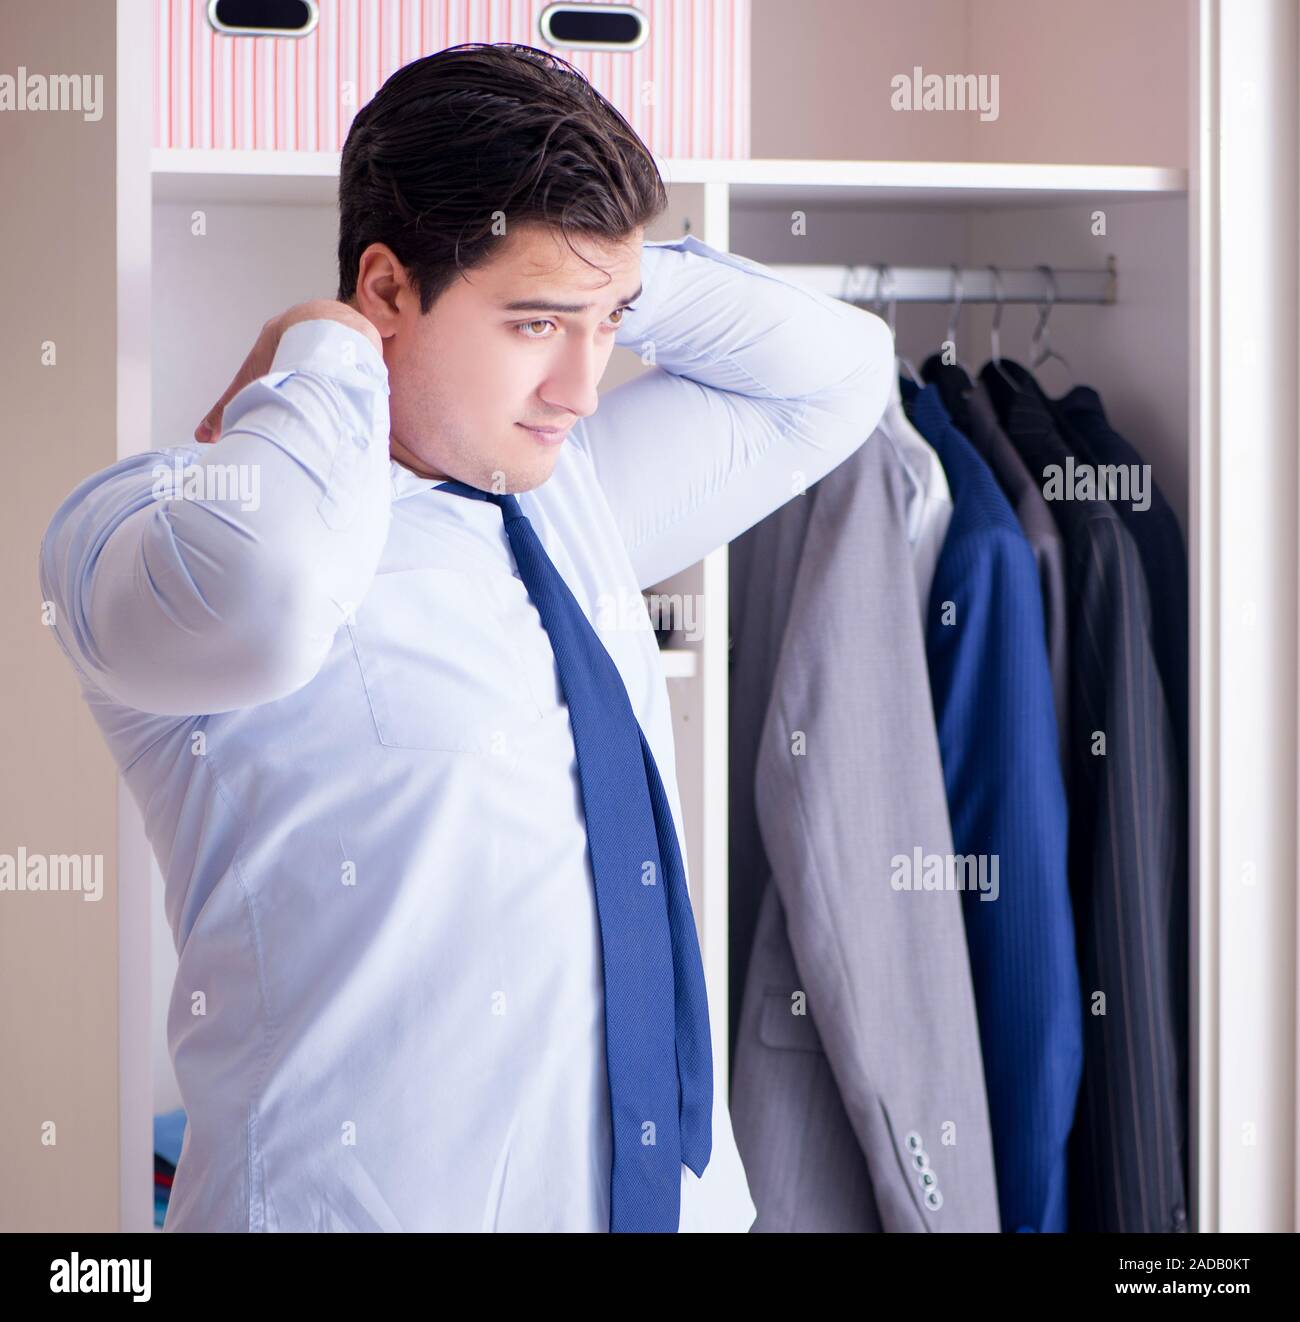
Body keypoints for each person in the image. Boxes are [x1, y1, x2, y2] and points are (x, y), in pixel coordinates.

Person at [38, 42, 893, 1232]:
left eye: (608, 326)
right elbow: (275, 596)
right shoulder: (156, 533)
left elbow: (842, 375)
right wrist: (326, 343)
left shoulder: (570, 499)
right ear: (388, 289)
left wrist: (600, 273)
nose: (581, 387)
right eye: (535, 323)